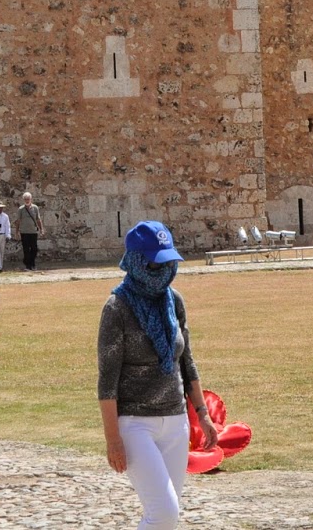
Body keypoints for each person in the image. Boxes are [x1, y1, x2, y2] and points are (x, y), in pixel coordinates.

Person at [97, 221, 217, 530]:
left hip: (175, 422)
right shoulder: (117, 308)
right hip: (135, 425)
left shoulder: (173, 300)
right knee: (163, 512)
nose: (162, 268)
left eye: (166, 260)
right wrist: (113, 440)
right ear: (137, 260)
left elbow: (186, 360)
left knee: (168, 517)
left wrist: (202, 414)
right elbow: (107, 381)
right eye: (155, 261)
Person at [16, 192, 45, 271]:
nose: (27, 200)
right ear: (23, 200)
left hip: (33, 231)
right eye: (25, 199)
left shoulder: (35, 208)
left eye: (28, 199)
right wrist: (17, 231)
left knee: (34, 248)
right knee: (26, 249)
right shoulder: (21, 209)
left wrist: (41, 229)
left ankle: (32, 263)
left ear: (31, 199)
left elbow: (38, 219)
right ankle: (28, 265)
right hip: (24, 232)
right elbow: (18, 220)